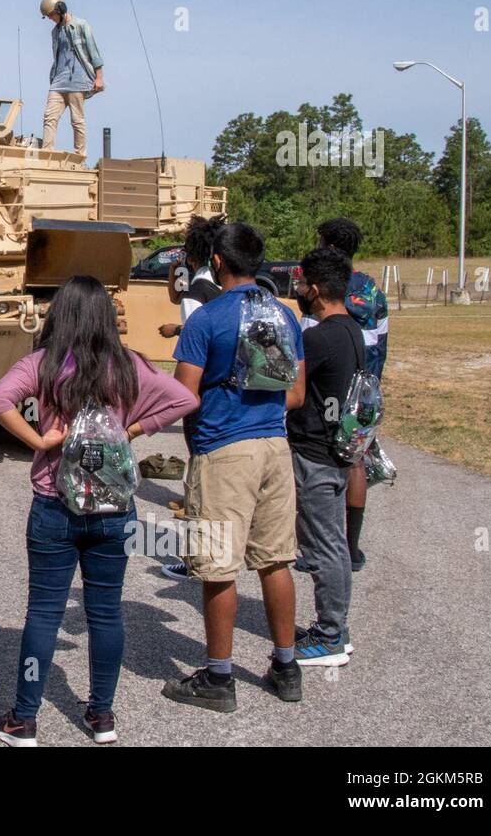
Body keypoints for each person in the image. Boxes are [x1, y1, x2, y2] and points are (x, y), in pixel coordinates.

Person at [0, 276, 198, 746]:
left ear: (58, 314)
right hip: (113, 508)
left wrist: (40, 441)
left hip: (53, 504)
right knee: (106, 614)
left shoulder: (42, 364)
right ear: (107, 317)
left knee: (43, 613)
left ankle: (23, 718)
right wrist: (134, 429)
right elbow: (186, 399)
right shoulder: (130, 366)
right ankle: (101, 715)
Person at [161, 221, 306, 713]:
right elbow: (297, 394)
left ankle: (219, 677)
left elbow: (182, 396)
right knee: (275, 560)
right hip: (274, 447)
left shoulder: (206, 319)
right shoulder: (284, 316)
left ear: (217, 262)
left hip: (225, 451)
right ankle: (286, 667)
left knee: (218, 565)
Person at [287, 246, 364, 667]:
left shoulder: (317, 338)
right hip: (336, 450)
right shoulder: (351, 330)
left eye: (300, 285)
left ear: (314, 290)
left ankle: (330, 635)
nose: (298, 291)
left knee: (321, 547)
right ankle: (336, 627)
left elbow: (290, 390)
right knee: (333, 543)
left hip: (315, 452)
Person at [311, 217, 388, 573]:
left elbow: (310, 340)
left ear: (327, 245)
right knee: (355, 460)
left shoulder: (327, 287)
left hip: (329, 385)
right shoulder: (372, 290)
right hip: (364, 387)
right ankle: (352, 547)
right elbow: (382, 343)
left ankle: (319, 546)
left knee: (318, 463)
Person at [158, 214, 227, 576]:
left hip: (202, 394)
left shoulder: (196, 293)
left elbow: (198, 344)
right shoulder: (218, 287)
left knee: (200, 474)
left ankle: (194, 558)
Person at [39, 0, 105, 156]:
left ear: (60, 9)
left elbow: (94, 52)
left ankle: (80, 156)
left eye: (51, 15)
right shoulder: (55, 32)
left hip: (78, 80)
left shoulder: (81, 25)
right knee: (49, 117)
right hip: (58, 81)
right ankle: (47, 154)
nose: (50, 19)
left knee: (77, 120)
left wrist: (99, 77)